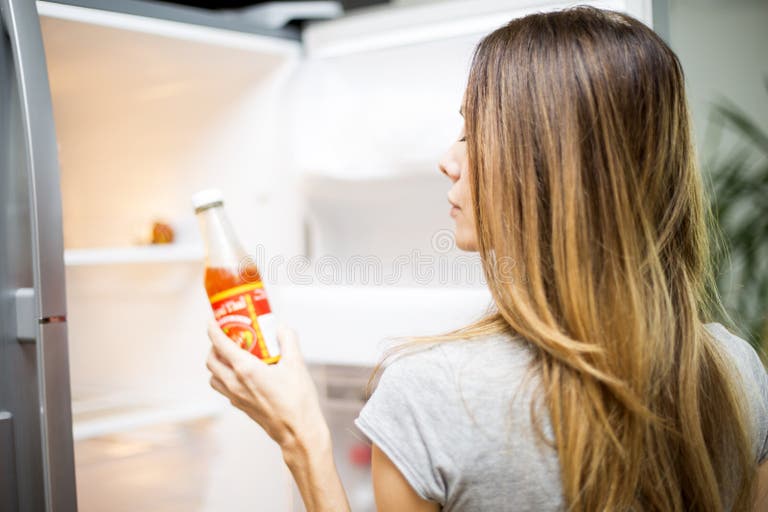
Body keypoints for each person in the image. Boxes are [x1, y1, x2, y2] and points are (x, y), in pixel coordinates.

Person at [204, 6, 768, 511]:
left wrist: (302, 437)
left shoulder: (428, 395)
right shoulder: (737, 371)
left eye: (474, 134)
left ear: (547, 171)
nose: (447, 160)